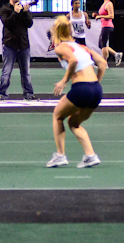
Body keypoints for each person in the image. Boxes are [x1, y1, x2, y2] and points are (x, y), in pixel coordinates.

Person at [46, 15, 107, 169]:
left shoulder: (60, 47)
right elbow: (103, 63)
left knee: (57, 116)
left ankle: (60, 155)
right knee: (74, 122)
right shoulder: (82, 47)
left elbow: (73, 60)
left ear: (56, 32)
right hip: (96, 90)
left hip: (81, 88)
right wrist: (96, 84)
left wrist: (64, 81)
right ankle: (90, 155)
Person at [0, 0, 37, 102]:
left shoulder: (23, 9)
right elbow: (7, 23)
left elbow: (29, 24)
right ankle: (2, 93)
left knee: (26, 73)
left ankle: (28, 94)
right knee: (7, 71)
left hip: (24, 44)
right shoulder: (4, 9)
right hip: (10, 45)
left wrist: (24, 13)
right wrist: (15, 12)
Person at [92, 0, 123, 66]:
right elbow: (104, 14)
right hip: (104, 26)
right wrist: (97, 15)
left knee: (104, 45)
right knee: (101, 44)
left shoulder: (109, 4)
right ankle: (116, 54)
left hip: (107, 26)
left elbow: (111, 16)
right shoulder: (104, 3)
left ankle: (104, 63)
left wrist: (100, 16)